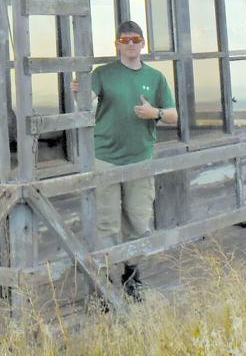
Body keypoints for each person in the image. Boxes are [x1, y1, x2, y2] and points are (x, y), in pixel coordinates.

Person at [73, 19, 177, 300]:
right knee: (107, 222)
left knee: (137, 219)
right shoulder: (103, 73)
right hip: (105, 156)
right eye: (125, 40)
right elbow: (86, 102)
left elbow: (173, 115)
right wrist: (79, 93)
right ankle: (106, 283)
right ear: (117, 44)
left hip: (140, 157)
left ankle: (131, 277)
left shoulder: (155, 78)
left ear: (143, 43)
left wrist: (153, 113)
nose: (130, 44)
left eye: (135, 40)